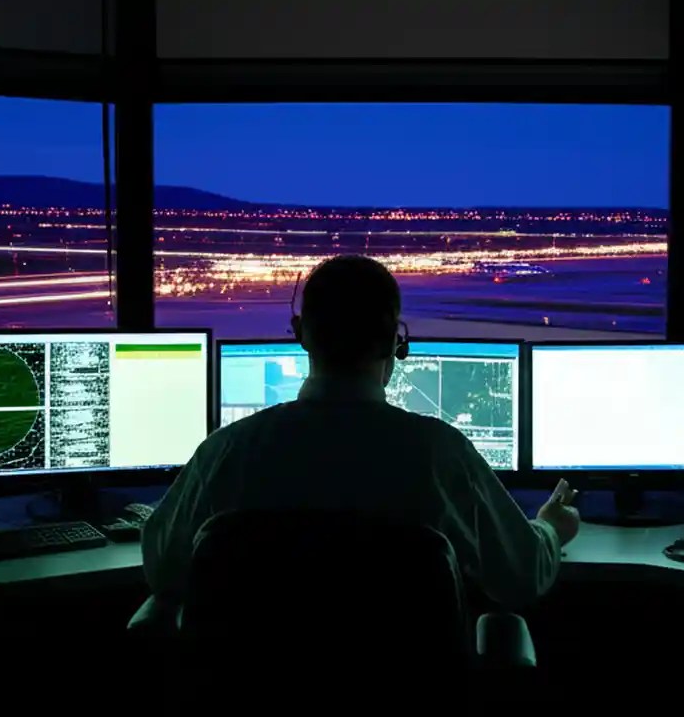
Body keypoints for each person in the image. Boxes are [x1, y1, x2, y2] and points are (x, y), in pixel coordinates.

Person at [141, 254, 580, 609]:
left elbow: (162, 567)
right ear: (395, 340)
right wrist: (549, 529)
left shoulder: (227, 451)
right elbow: (521, 577)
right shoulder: (439, 455)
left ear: (299, 334)